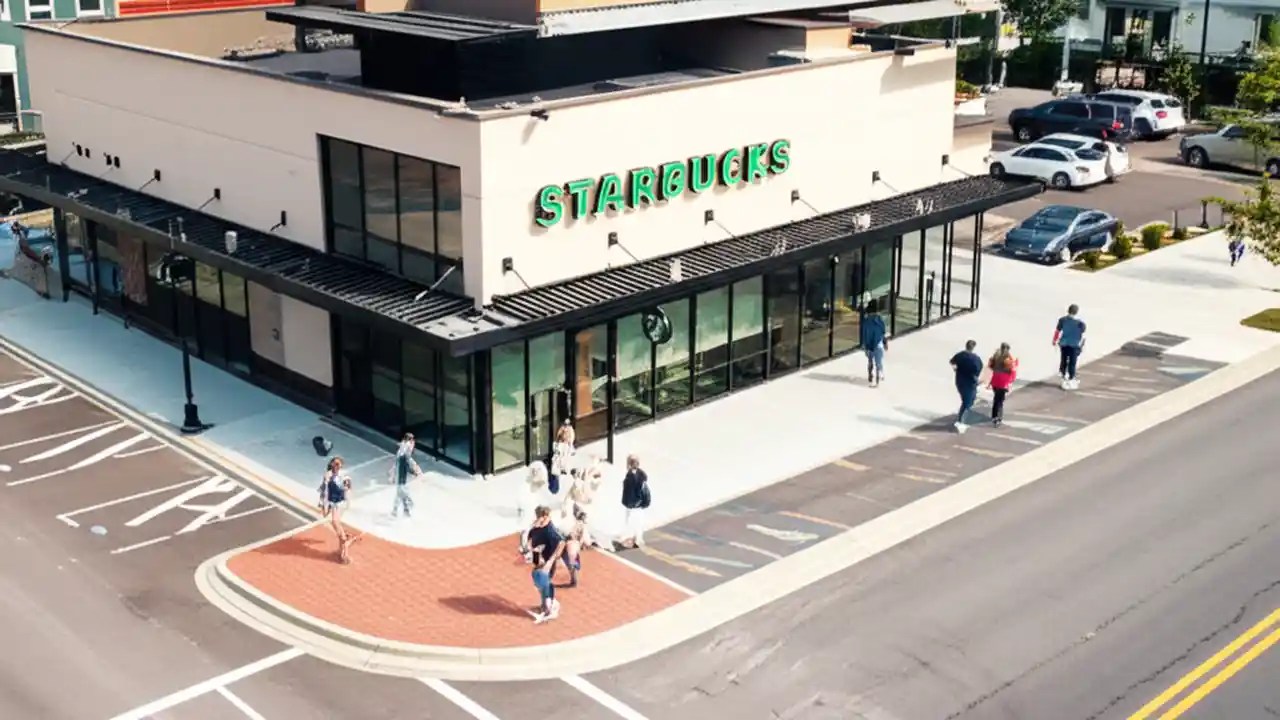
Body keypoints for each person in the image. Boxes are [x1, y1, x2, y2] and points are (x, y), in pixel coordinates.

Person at [526, 505, 564, 623]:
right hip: (539, 556)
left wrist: (550, 561)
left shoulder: (550, 530)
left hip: (548, 559)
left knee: (543, 580)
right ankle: (544, 606)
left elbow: (561, 543)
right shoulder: (536, 528)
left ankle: (549, 608)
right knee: (539, 580)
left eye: (541, 517)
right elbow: (531, 541)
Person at [318, 456, 355, 564]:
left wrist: (348, 498)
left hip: (340, 502)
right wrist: (322, 503)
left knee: (335, 521)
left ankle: (344, 542)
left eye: (339, 464)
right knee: (335, 522)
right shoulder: (328, 475)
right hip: (332, 502)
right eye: (335, 464)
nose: (337, 466)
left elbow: (348, 488)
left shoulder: (344, 476)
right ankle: (342, 543)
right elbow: (324, 489)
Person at [949, 340, 983, 434]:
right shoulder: (976, 359)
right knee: (968, 402)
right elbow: (978, 370)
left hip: (960, 380)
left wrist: (955, 368)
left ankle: (961, 419)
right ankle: (960, 421)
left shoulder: (960, 355)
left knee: (966, 400)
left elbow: (952, 362)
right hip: (970, 382)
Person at [518, 461, 549, 560]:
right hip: (527, 509)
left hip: (532, 507)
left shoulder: (534, 481)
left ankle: (529, 547)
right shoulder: (529, 483)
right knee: (526, 529)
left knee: (532, 528)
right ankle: (525, 549)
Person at [619, 454, 651, 548]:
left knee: (630, 521)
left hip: (632, 504)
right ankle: (638, 539)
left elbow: (629, 491)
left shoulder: (630, 476)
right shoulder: (641, 474)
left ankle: (629, 539)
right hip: (640, 504)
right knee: (639, 522)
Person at [1053, 304, 1087, 390]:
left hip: (1064, 343)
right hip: (1074, 345)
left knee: (1064, 359)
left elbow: (1057, 331)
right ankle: (1071, 378)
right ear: (1076, 312)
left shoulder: (1062, 320)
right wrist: (1082, 346)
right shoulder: (1080, 323)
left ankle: (1063, 376)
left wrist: (1054, 340)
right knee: (1072, 362)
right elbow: (1083, 336)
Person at [389, 433, 423, 519]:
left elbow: (405, 459)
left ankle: (402, 510)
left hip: (401, 469)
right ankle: (405, 507)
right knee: (402, 490)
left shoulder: (403, 450)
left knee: (400, 491)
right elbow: (405, 459)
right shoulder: (404, 450)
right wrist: (415, 470)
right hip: (401, 471)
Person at [987, 343, 1018, 427]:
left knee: (996, 399)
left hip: (995, 380)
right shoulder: (1009, 359)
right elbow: (1013, 370)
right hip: (1003, 382)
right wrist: (1011, 380)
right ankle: (998, 417)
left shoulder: (996, 356)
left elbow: (990, 365)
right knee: (1000, 401)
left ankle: (994, 416)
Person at [859, 298, 888, 387]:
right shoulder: (878, 320)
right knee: (876, 362)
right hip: (875, 343)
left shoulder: (867, 321)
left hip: (871, 343)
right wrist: (885, 342)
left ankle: (874, 378)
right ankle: (875, 377)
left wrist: (863, 344)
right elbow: (883, 332)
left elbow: (864, 333)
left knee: (872, 361)